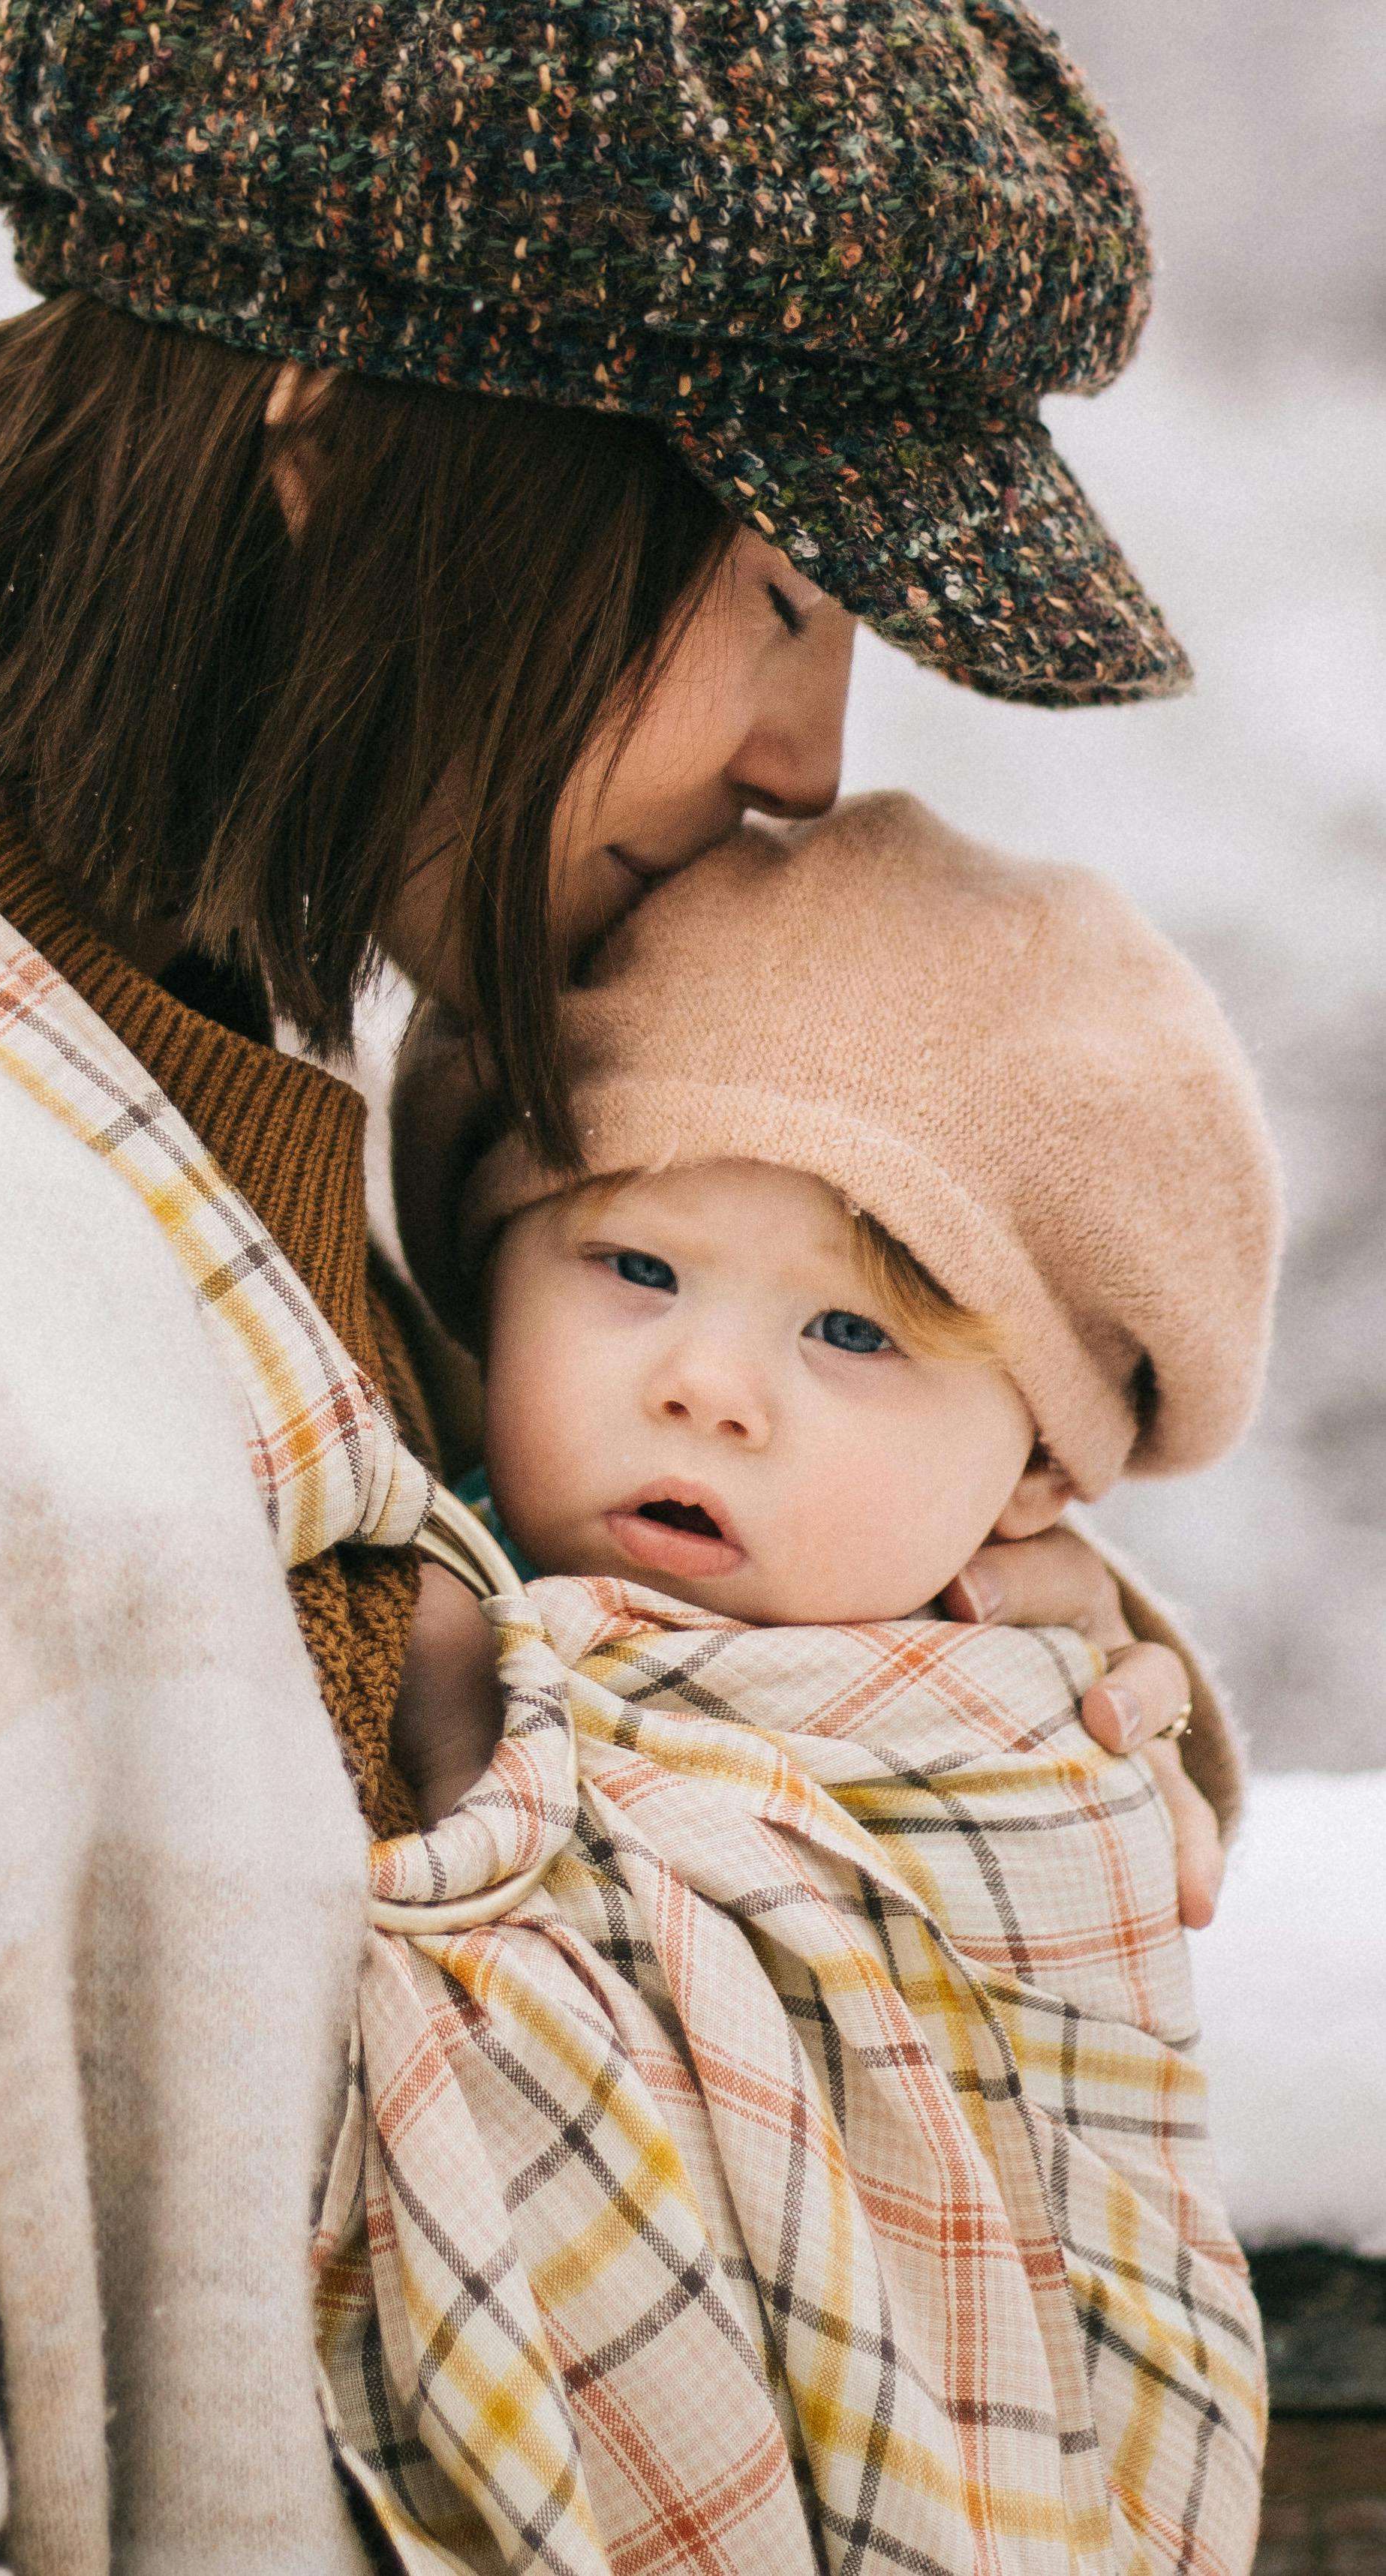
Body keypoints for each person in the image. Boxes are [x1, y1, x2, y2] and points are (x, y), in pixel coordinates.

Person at [0, 1, 1242, 2566]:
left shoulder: (183, 1090)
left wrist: (868, 1697)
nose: (807, 761)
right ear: (332, 457)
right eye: (777, 595)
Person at [341, 792, 1274, 2569]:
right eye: (632, 1266)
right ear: (487, 1282)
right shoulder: (382, 1583)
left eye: (848, 1331)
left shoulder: (1024, 1730)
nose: (706, 1384)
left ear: (1033, 1472)